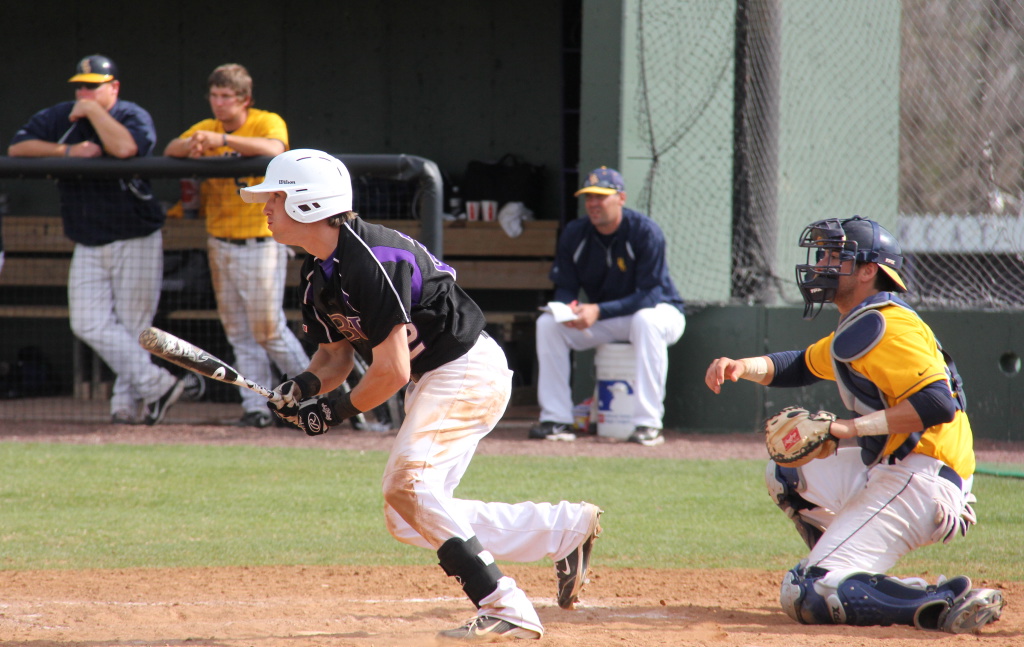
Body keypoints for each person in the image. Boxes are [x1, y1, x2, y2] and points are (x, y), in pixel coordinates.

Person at [242, 149, 603, 643]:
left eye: (275, 197)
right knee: (408, 515)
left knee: (407, 486)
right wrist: (303, 388)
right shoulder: (318, 275)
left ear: (308, 204)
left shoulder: (369, 259)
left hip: (464, 370)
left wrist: (335, 411)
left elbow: (391, 370)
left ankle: (506, 606)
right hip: (437, 380)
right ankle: (562, 529)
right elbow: (335, 359)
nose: (265, 207)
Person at [704, 216, 1005, 634]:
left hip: (922, 480)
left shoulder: (887, 325)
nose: (822, 264)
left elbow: (939, 404)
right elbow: (800, 364)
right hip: (896, 468)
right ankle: (842, 566)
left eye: (835, 256)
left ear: (868, 271)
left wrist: (851, 428)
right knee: (786, 471)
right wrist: (741, 366)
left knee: (805, 592)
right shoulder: (863, 322)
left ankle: (939, 599)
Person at [8, 54, 190, 425]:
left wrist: (92, 114)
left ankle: (124, 406)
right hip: (88, 240)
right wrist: (67, 151)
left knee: (133, 327)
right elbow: (18, 148)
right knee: (87, 323)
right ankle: (157, 386)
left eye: (93, 86)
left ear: (114, 88)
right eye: (80, 86)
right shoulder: (61, 115)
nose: (84, 92)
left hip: (134, 236)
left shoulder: (131, 115)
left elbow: (125, 148)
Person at [164, 63, 308, 428]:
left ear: (244, 99)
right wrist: (196, 143)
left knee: (269, 330)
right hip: (220, 243)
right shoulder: (207, 128)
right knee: (239, 334)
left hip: (261, 242)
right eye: (214, 95)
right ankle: (256, 407)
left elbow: (274, 148)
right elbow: (171, 149)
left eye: (226, 96)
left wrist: (223, 142)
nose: (219, 103)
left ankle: (320, 393)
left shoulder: (264, 120)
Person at [530, 167, 686, 445]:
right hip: (607, 317)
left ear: (621, 198)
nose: (593, 203)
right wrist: (570, 308)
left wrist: (597, 311)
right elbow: (565, 285)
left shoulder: (645, 232)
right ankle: (556, 419)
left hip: (662, 314)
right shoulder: (576, 233)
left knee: (645, 320)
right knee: (548, 324)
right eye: (588, 197)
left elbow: (650, 295)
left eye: (601, 197)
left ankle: (648, 424)